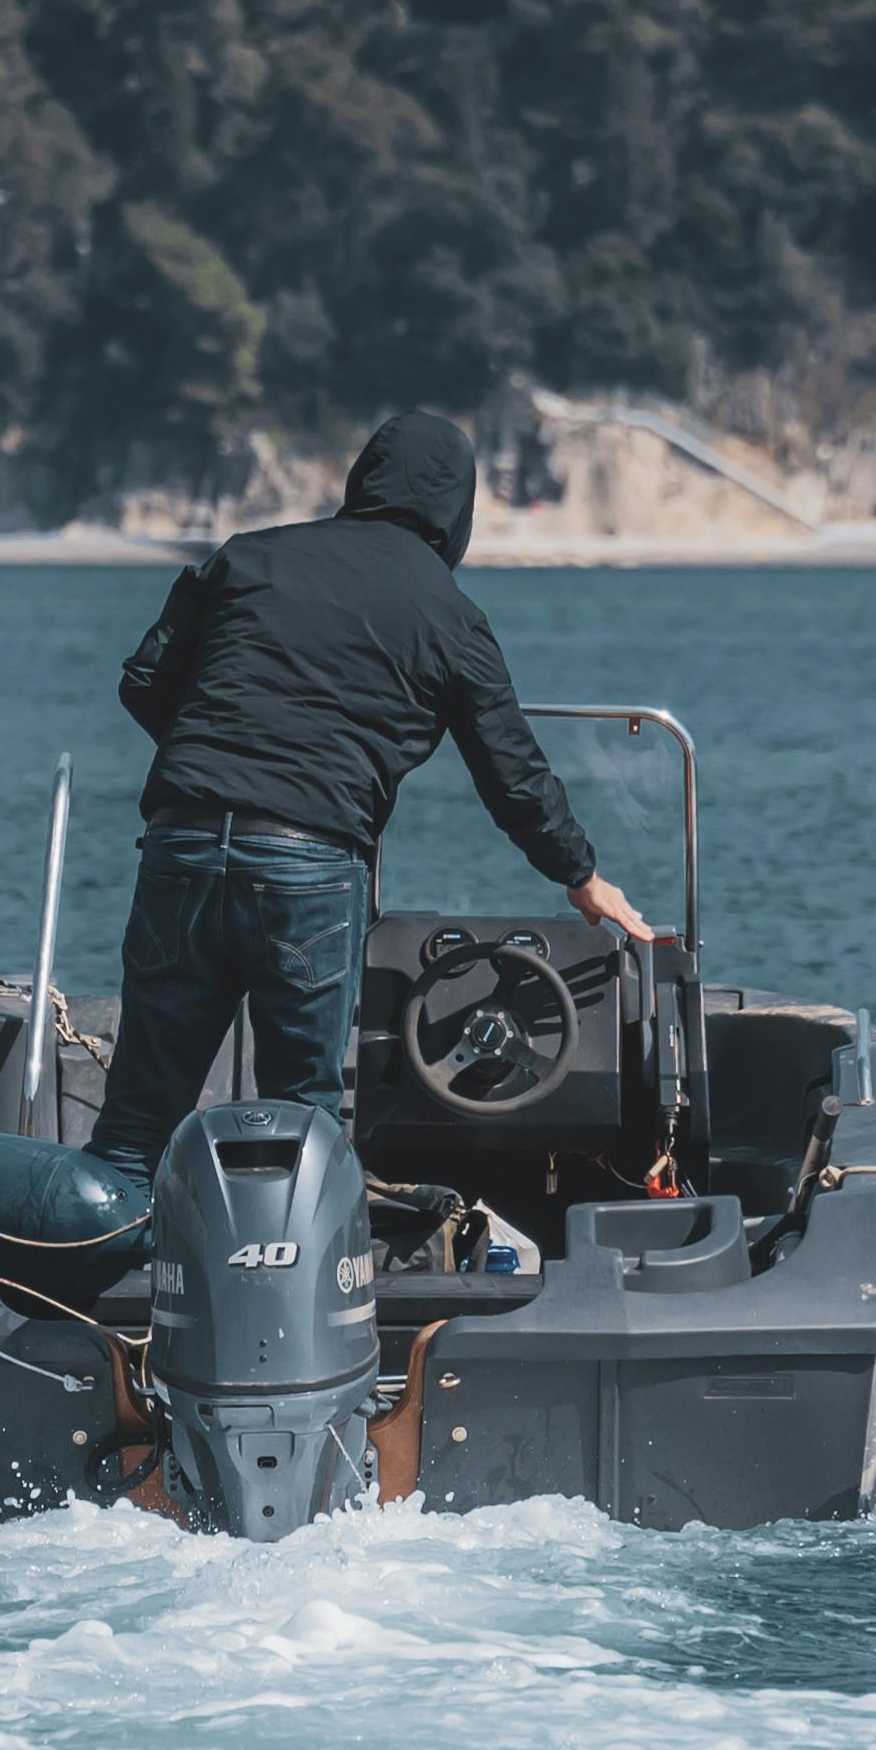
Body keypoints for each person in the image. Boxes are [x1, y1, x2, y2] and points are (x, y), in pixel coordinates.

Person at [84, 408, 652, 1177]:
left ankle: (86, 1276)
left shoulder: (247, 557)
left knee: (134, 1125)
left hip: (180, 842)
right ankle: (285, 1282)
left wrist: (225, 764)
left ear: (361, 481)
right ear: (459, 510)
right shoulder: (449, 616)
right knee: (298, 1121)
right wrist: (580, 876)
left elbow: (144, 681)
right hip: (307, 866)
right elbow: (512, 774)